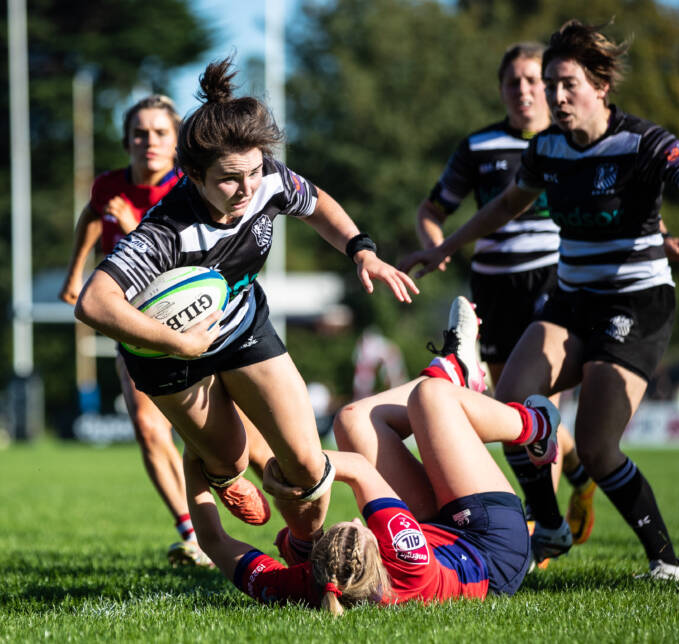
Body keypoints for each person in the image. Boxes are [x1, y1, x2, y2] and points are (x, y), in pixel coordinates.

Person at [400, 20, 679, 580]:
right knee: (511, 403)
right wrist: (446, 247)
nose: (555, 96)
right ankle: (549, 523)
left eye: (566, 84)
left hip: (636, 304)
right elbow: (506, 205)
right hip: (572, 300)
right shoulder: (547, 147)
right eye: (550, 83)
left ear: (601, 87)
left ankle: (665, 561)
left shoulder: (645, 142)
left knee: (601, 449)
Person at [74, 57, 417, 555]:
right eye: (230, 179)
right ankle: (217, 469)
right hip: (168, 357)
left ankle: (305, 553)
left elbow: (318, 204)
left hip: (241, 327)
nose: (248, 189)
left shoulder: (267, 179)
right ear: (192, 174)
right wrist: (178, 342)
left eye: (255, 172)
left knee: (305, 464)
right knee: (233, 461)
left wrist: (361, 248)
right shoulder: (165, 231)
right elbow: (94, 302)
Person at [59, 94, 271, 567]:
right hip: (141, 330)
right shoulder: (110, 185)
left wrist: (136, 225)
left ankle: (291, 510)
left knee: (243, 436)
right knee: (148, 427)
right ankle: (191, 534)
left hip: (209, 325)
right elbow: (93, 217)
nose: (149, 142)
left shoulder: (193, 185)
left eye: (160, 133)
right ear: (127, 140)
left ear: (178, 143)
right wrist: (76, 273)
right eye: (140, 133)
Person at [184, 351, 562, 612]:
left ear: (314, 569)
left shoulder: (301, 587)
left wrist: (196, 452)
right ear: (382, 553)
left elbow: (212, 541)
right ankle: (535, 426)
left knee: (350, 420)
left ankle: (453, 375)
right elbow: (360, 469)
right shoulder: (406, 556)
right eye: (360, 528)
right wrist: (300, 466)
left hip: (437, 533)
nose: (356, 520)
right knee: (432, 398)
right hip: (491, 548)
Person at [411, 42, 597, 549]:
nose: (523, 90)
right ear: (501, 90)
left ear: (551, 86)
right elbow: (430, 209)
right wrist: (437, 246)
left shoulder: (573, 141)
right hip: (493, 289)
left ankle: (545, 526)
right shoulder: (478, 146)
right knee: (511, 408)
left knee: (536, 402)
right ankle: (576, 468)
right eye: (512, 82)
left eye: (533, 80)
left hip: (552, 281)